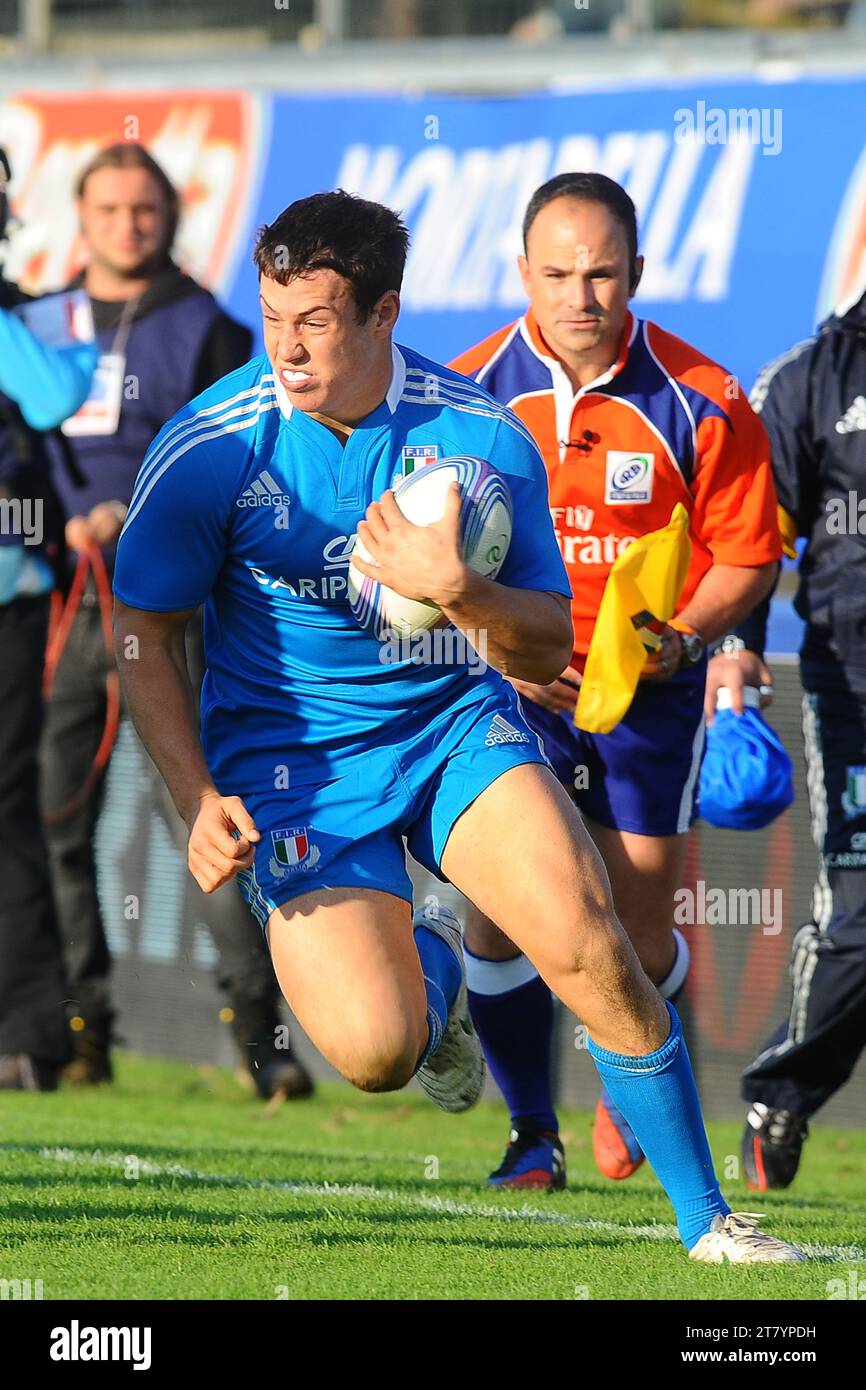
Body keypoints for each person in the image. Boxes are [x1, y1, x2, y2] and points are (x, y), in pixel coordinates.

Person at [112, 189, 801, 1263]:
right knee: (379, 1051)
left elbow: (540, 649)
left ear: (385, 313)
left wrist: (459, 592)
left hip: (449, 728)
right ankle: (435, 960)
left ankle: (709, 1225)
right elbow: (142, 629)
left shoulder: (477, 433)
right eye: (272, 316)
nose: (286, 347)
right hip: (292, 766)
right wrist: (195, 794)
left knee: (587, 941)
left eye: (317, 321)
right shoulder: (213, 446)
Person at [449, 172, 781, 1190]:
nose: (577, 296)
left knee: (633, 929)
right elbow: (420, 564)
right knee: (498, 914)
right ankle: (527, 1134)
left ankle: (628, 1082)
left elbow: (748, 551)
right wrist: (493, 646)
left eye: (599, 273)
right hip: (510, 691)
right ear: (521, 272)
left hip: (647, 691)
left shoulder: (701, 397)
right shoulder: (463, 393)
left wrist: (679, 636)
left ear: (635, 271)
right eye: (555, 273)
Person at [41, 141, 311, 1099]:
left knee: (205, 819)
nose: (128, 225)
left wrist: (143, 516)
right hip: (57, 610)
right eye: (109, 209)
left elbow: (244, 465)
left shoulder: (210, 328)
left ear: (170, 216)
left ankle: (265, 1044)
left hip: (166, 617)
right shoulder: (38, 324)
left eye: (145, 209)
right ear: (80, 218)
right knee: (50, 820)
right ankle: (77, 1032)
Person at [706, 286, 866, 1190]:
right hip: (856, 691)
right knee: (861, 925)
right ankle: (780, 1094)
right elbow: (748, 536)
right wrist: (733, 649)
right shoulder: (813, 376)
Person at [0, 146, 97, 1089]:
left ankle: (29, 1033)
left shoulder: (22, 316)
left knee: (8, 811)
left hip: (11, 596)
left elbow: (59, 392)